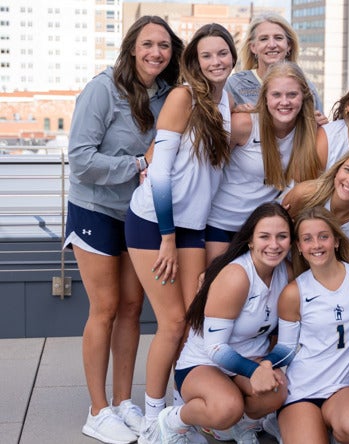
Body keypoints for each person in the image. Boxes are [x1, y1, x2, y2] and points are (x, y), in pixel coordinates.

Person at [65, 15, 183, 444]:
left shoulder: (169, 95)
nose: (156, 52)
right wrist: (137, 165)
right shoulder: (103, 89)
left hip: (137, 214)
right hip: (95, 208)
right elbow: (80, 159)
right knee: (106, 307)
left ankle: (121, 403)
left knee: (134, 308)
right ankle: (97, 410)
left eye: (165, 46)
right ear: (132, 47)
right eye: (148, 44)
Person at [124, 23, 236, 444]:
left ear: (233, 57)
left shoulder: (226, 104)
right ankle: (154, 417)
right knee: (172, 322)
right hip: (156, 221)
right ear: (195, 60)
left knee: (195, 322)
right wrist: (167, 238)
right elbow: (160, 174)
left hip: (193, 225)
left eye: (222, 53)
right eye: (207, 55)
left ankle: (179, 408)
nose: (215, 61)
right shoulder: (183, 97)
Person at [157, 203, 293, 443]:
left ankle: (237, 427)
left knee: (277, 391)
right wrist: (256, 371)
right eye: (264, 237)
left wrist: (267, 366)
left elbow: (289, 343)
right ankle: (174, 420)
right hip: (204, 363)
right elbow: (215, 348)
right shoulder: (236, 276)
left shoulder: (287, 273)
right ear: (250, 240)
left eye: (282, 236)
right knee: (227, 408)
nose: (274, 245)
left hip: (250, 361)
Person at [266, 206, 349, 444]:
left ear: (336, 240)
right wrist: (265, 364)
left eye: (323, 236)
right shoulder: (294, 292)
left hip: (344, 388)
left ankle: (337, 429)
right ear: (300, 248)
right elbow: (285, 348)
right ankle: (285, 424)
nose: (316, 245)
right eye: (307, 239)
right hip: (301, 392)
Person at [206, 61, 318, 262]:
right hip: (222, 224)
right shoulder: (244, 124)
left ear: (304, 96)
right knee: (213, 285)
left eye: (292, 95)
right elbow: (207, 166)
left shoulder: (311, 133)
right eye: (276, 95)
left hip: (264, 231)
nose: (284, 102)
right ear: (265, 97)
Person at [224, 13, 326, 123]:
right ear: (253, 47)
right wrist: (233, 114)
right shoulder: (235, 85)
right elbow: (220, 127)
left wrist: (317, 125)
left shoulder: (306, 86)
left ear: (289, 46)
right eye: (264, 39)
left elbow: (321, 131)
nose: (272, 44)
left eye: (278, 38)